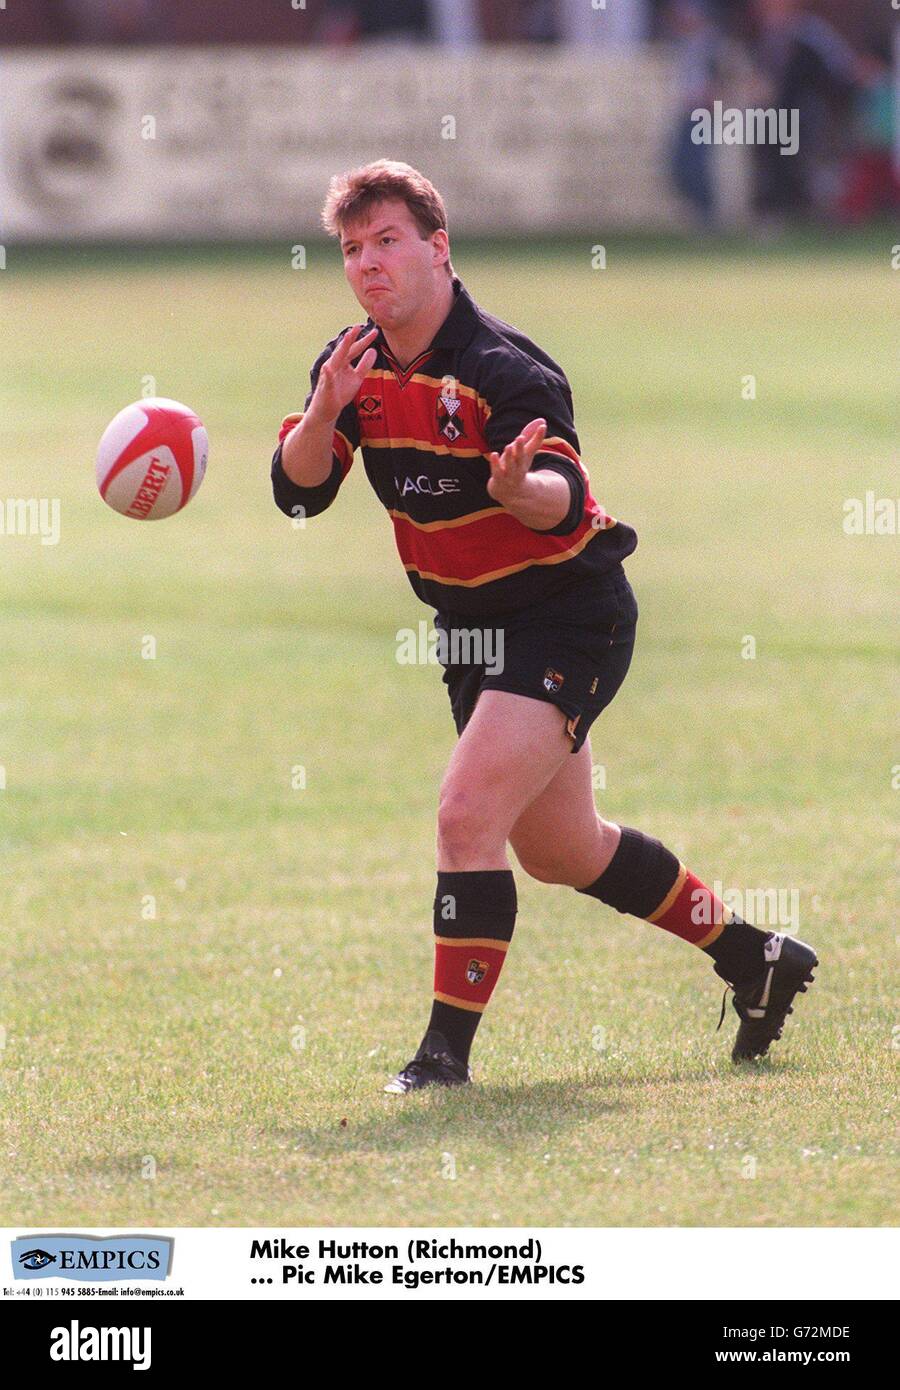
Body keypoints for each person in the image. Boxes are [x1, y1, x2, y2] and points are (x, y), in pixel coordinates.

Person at [270, 160, 818, 1093]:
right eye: (354, 249)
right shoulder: (352, 366)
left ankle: (442, 1061)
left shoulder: (501, 371)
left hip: (569, 615)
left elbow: (563, 505)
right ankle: (755, 955)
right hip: (473, 631)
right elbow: (298, 493)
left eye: (388, 241)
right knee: (565, 851)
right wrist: (321, 411)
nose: (368, 264)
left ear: (438, 248)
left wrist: (520, 489)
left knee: (464, 816)